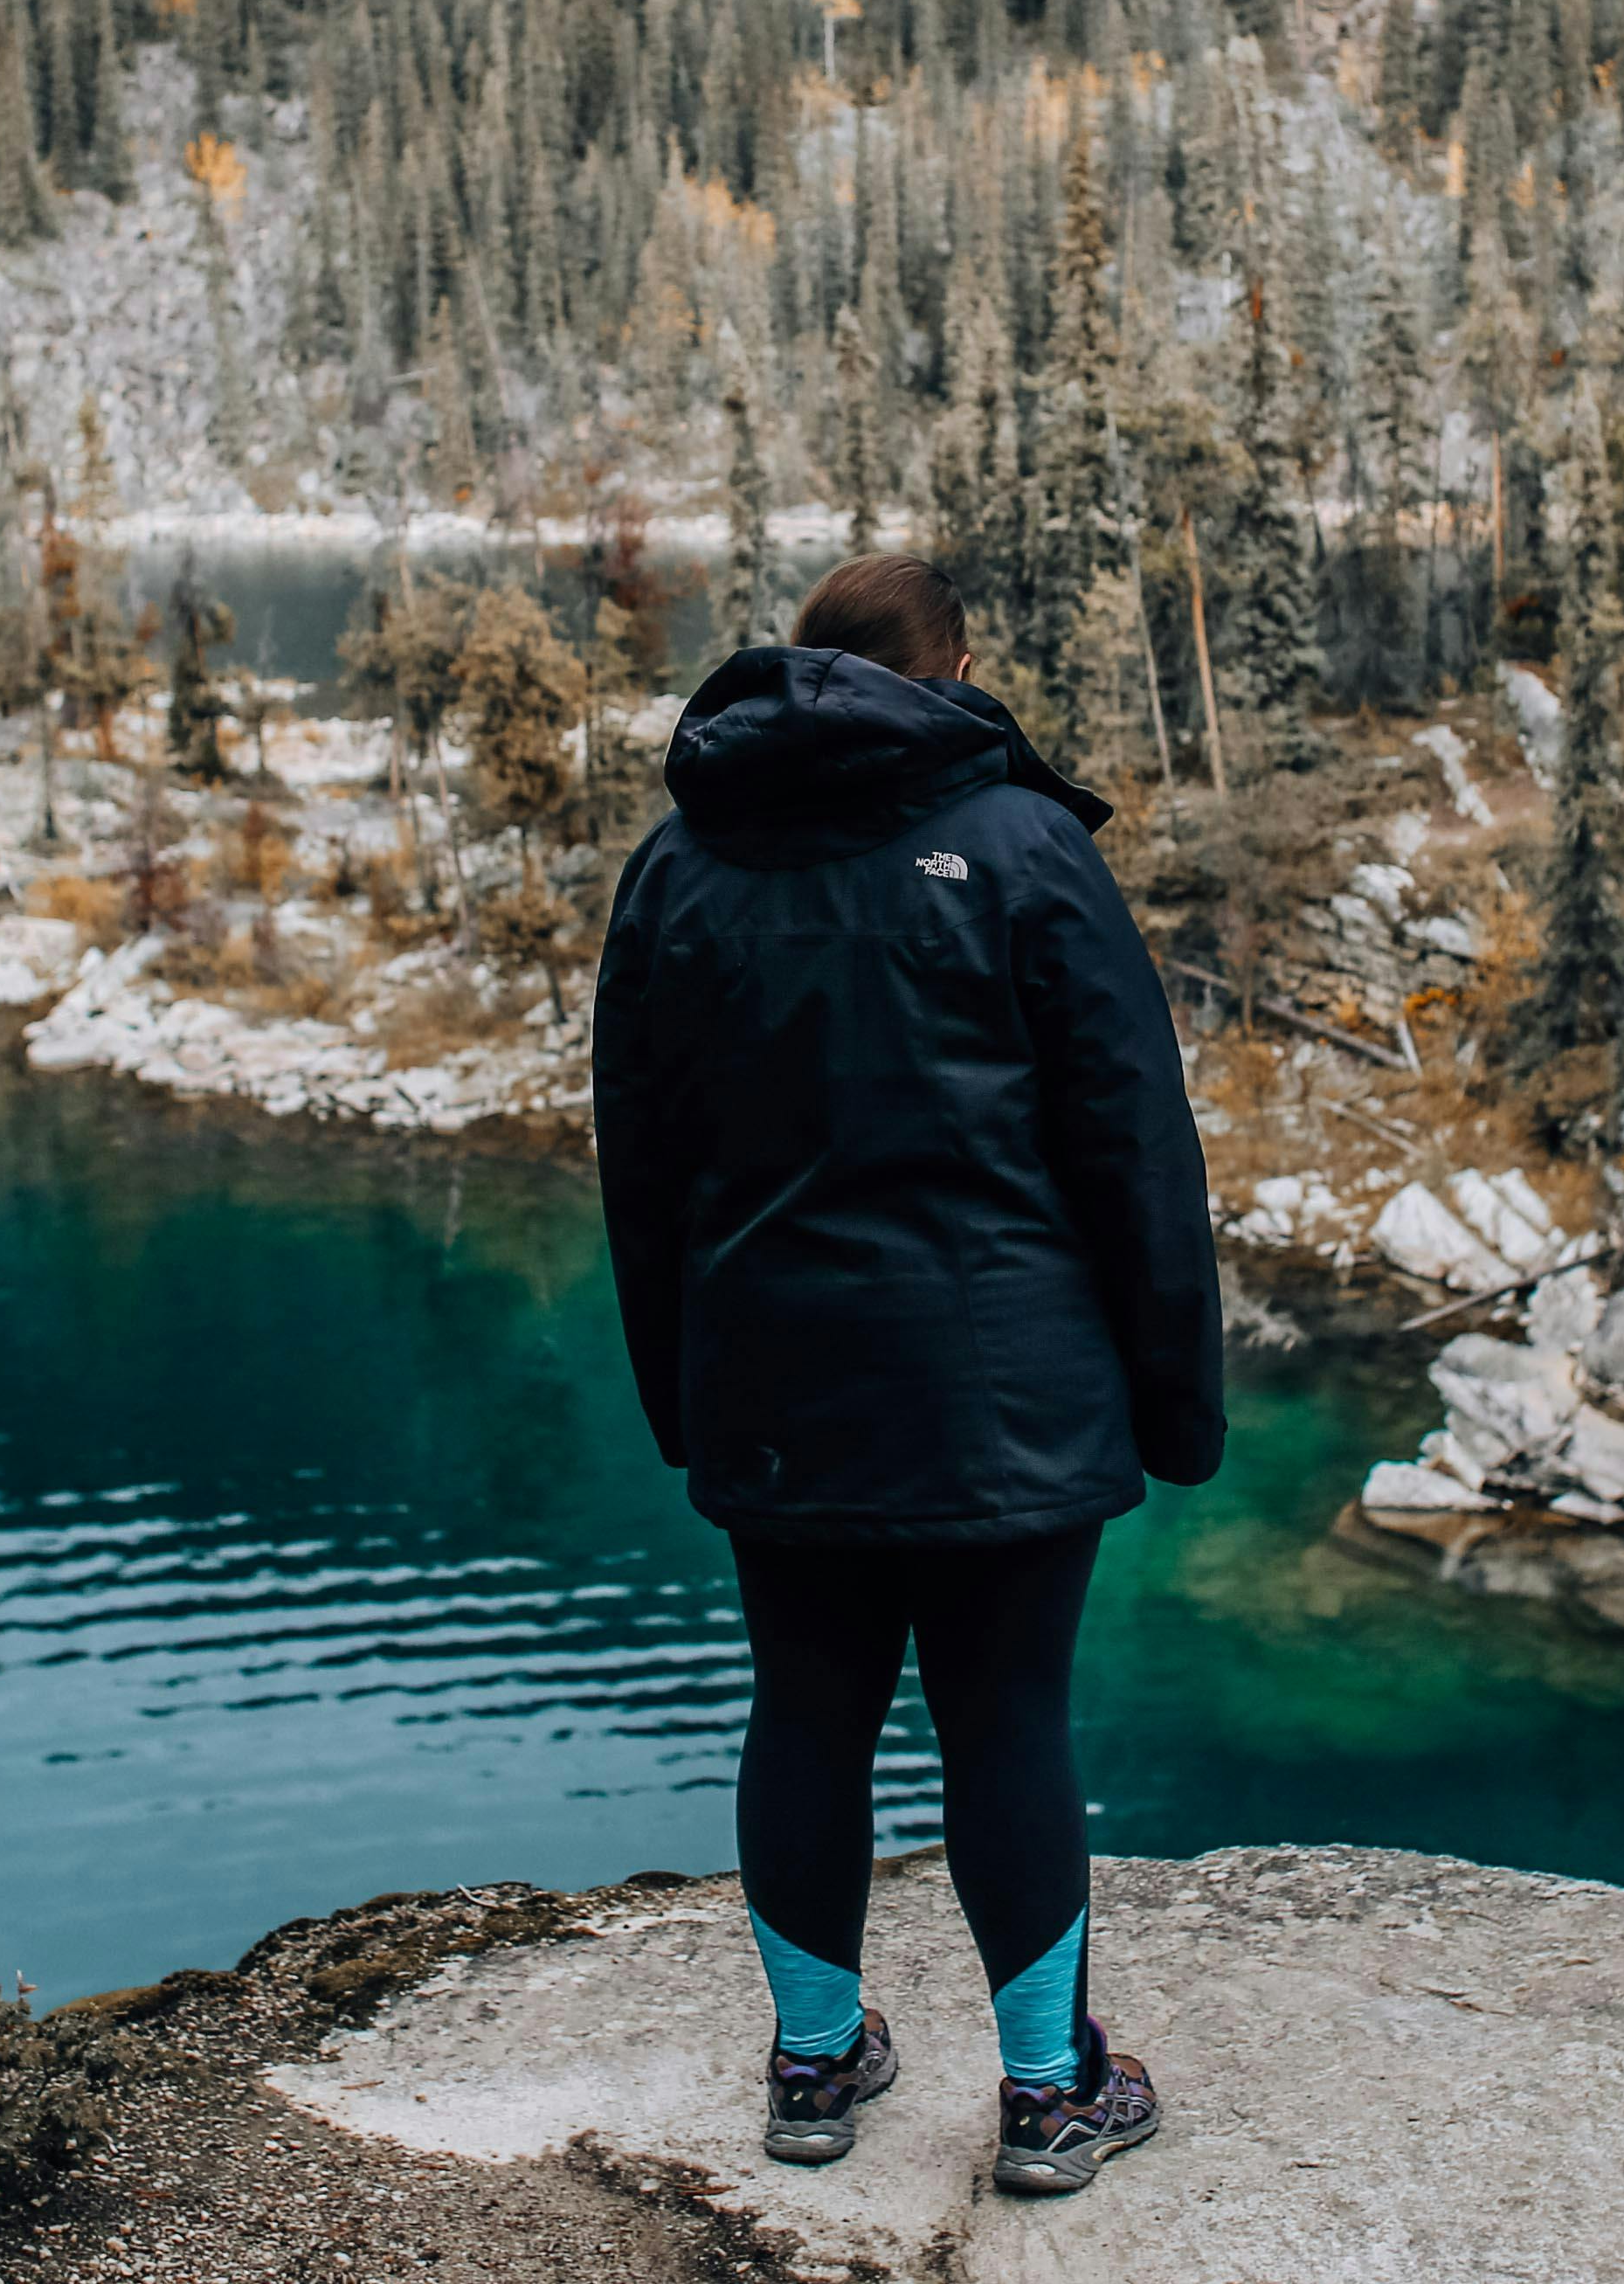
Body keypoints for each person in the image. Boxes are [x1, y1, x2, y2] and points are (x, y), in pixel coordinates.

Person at [589, 550, 1221, 2198]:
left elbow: (639, 1173)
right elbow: (1136, 1152)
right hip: (1008, 1391)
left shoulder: (678, 867)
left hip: (777, 1398)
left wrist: (682, 1394)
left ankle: (815, 2062)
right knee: (1005, 1716)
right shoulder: (1023, 848)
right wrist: (1180, 1402)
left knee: (806, 1711)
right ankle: (1049, 2092)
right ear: (952, 671)